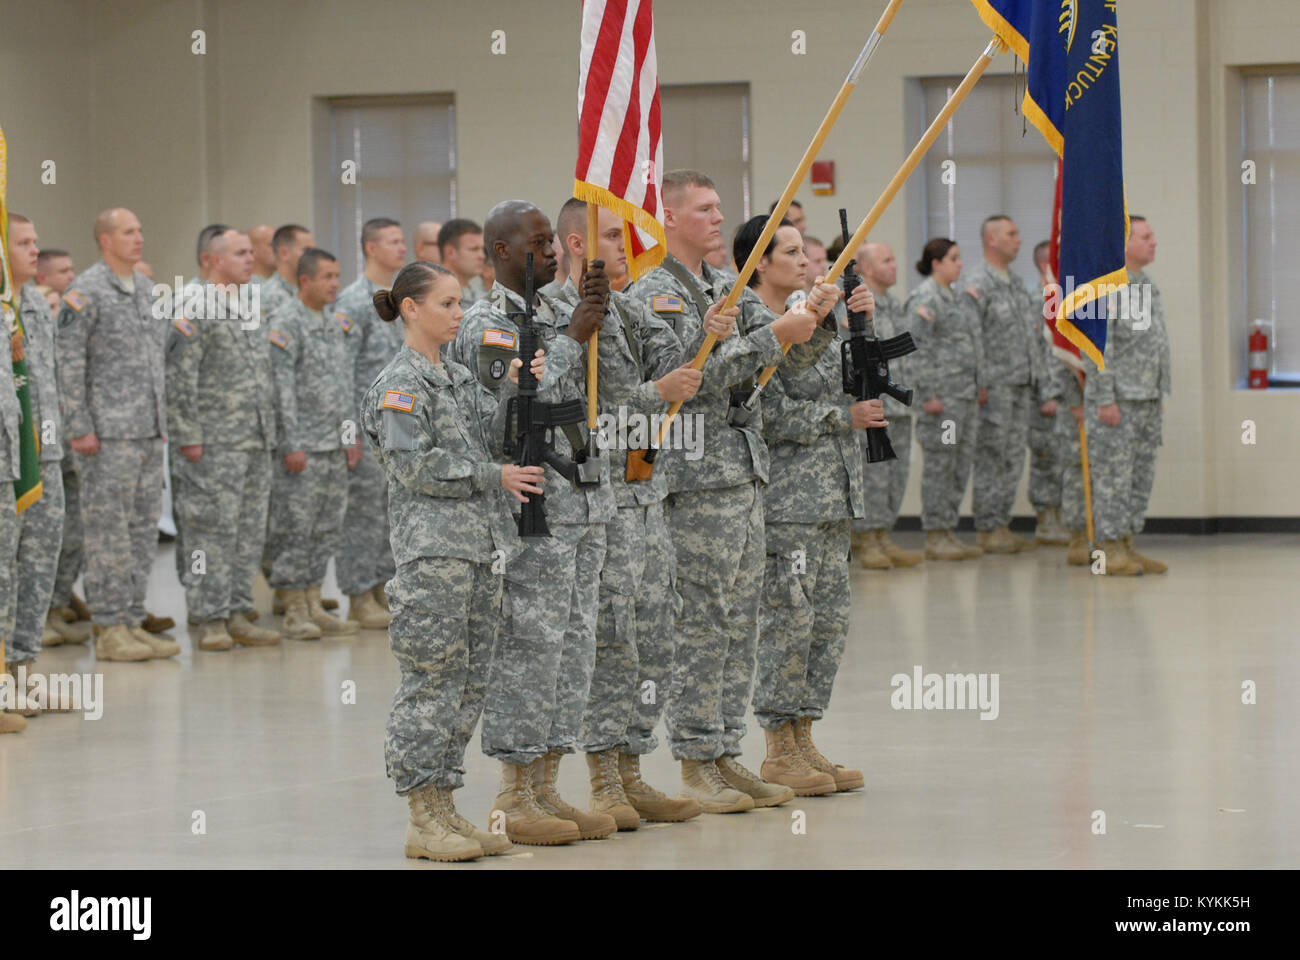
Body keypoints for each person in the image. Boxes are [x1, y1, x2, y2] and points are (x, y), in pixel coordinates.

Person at [631, 172, 837, 813]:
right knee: (701, 622)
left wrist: (812, 316)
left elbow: (786, 363)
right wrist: (770, 336)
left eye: (720, 207)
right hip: (695, 478)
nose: (720, 218)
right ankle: (695, 760)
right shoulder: (655, 292)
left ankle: (726, 751)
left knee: (741, 621)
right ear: (668, 215)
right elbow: (686, 378)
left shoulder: (730, 285)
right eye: (706, 208)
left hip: (744, 472)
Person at [365, 260, 546, 861]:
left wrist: (520, 390)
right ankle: (421, 813)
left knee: (468, 684)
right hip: (433, 555)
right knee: (431, 681)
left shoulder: (461, 379)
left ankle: (445, 804)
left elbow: (494, 437)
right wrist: (491, 475)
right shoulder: (400, 385)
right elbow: (414, 466)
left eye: (460, 302)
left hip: (479, 551)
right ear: (411, 308)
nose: (459, 313)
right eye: (446, 303)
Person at [449, 200, 615, 845]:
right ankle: (513, 793)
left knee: (572, 650)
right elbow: (518, 411)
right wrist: (575, 336)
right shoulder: (488, 327)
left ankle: (547, 784)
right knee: (530, 649)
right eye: (539, 244)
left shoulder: (549, 311)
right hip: (532, 512)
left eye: (554, 242)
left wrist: (581, 319)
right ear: (499, 252)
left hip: (580, 503)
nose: (552, 253)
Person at [544, 198, 707, 827]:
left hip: (646, 494)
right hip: (594, 500)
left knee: (652, 635)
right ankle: (602, 776)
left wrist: (716, 335)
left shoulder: (632, 306)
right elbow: (577, 420)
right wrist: (653, 397)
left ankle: (633, 767)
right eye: (613, 233)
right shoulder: (557, 317)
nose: (626, 244)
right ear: (579, 243)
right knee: (607, 638)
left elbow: (688, 372)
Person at [741, 215, 879, 796]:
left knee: (827, 624)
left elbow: (850, 380)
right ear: (761, 261)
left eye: (806, 251)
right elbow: (757, 411)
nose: (805, 260)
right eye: (791, 251)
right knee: (788, 622)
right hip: (788, 499)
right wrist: (835, 418)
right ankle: (778, 747)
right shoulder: (755, 325)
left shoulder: (806, 316)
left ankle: (804, 738)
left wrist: (861, 323)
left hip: (831, 494)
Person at [55, 208, 178, 661]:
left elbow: (155, 364)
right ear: (105, 240)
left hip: (146, 432)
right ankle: (108, 629)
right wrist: (79, 427)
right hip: (104, 436)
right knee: (108, 533)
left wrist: (161, 423)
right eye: (129, 231)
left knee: (142, 531)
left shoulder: (146, 290)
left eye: (140, 229)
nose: (139, 238)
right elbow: (68, 365)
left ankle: (130, 617)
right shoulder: (85, 292)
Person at [166, 229, 281, 650]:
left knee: (248, 530)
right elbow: (179, 375)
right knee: (208, 532)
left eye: (252, 252)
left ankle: (236, 610)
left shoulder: (249, 302)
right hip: (212, 441)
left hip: (254, 438)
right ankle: (208, 616)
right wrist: (187, 435)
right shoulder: (192, 304)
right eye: (240, 253)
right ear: (213, 260)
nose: (251, 259)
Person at [266, 248, 361, 637]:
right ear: (305, 281)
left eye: (337, 276)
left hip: (333, 445)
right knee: (296, 527)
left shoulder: (333, 321)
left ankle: (312, 599)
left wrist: (350, 436)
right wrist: (291, 442)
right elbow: (281, 388)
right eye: (327, 277)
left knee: (326, 527)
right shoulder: (287, 321)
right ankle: (292, 608)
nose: (335, 284)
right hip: (303, 444)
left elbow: (344, 384)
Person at [1083, 215, 1170, 575]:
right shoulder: (1104, 287)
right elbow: (1097, 348)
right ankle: (1107, 548)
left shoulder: (1145, 284)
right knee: (1112, 477)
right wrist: (1105, 398)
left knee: (1138, 476)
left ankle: (1127, 544)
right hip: (1117, 401)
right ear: (1124, 243)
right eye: (1146, 237)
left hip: (1146, 397)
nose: (1154, 242)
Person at [4, 214, 66, 715]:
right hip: (9, 457)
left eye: (35, 241)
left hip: (46, 453)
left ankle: (25, 670)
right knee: (4, 569)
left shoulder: (37, 307)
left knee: (39, 563)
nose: (33, 251)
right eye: (22, 242)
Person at [335, 218, 408, 630]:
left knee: (388, 511)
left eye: (402, 241)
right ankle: (358, 593)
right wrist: (348, 431)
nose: (401, 248)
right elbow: (341, 370)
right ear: (370, 248)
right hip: (363, 426)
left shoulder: (398, 300)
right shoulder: (352, 302)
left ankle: (382, 585)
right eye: (393, 242)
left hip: (395, 425)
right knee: (361, 514)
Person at [961, 215, 1035, 554]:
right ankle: (988, 526)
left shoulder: (1017, 283)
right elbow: (971, 336)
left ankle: (1001, 523)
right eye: (1012, 233)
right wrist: (980, 382)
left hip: (1021, 383)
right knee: (992, 455)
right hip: (995, 385)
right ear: (992, 239)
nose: (1019, 239)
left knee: (1013, 455)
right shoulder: (978, 283)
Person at [907, 238, 983, 561]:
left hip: (963, 398)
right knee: (940, 465)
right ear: (936, 263)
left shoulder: (957, 298)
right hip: (942, 403)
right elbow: (914, 348)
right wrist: (927, 395)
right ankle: (936, 535)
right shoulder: (925, 298)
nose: (960, 264)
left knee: (959, 464)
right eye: (954, 258)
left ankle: (948, 529)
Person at [850, 241, 923, 569]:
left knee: (897, 475)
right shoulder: (854, 307)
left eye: (894, 259)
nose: (894, 265)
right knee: (874, 477)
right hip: (875, 407)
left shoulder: (895, 303)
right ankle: (867, 539)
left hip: (900, 408)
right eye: (886, 260)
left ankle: (884, 535)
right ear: (864, 268)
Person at [1027, 240, 1068, 545]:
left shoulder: (1065, 297)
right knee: (1047, 458)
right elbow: (1038, 351)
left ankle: (1063, 517)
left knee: (1064, 457)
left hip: (1067, 394)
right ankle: (1046, 519)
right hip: (1047, 396)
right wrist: (1048, 394)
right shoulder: (1039, 299)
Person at [260, 224, 317, 320]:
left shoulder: (311, 292)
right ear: (284, 253)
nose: (312, 256)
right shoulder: (266, 296)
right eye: (306, 250)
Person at [438, 219, 488, 309]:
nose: (482, 256)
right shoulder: (432, 297)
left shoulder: (484, 298)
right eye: (474, 249)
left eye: (482, 249)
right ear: (450, 252)